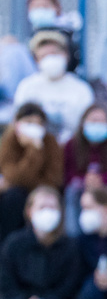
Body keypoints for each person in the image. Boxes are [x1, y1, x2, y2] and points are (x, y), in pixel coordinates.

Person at [0, 187, 82, 299]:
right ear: (30, 211)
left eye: (52, 207)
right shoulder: (14, 243)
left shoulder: (70, 246)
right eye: (42, 207)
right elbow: (6, 280)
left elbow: (70, 284)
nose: (48, 212)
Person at [12, 31, 94, 143]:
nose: (50, 59)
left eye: (54, 53)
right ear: (36, 59)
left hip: (72, 152)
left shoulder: (81, 89)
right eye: (44, 56)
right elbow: (19, 123)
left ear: (66, 54)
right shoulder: (27, 87)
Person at [0, 104, 64, 243]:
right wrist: (33, 150)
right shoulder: (8, 142)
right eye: (29, 122)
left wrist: (35, 149)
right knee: (13, 196)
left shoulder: (50, 143)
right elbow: (12, 175)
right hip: (17, 195)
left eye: (38, 123)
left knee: (41, 199)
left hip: (42, 191)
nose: (34, 127)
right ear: (17, 124)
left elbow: (54, 179)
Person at [64, 102, 107, 195]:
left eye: (102, 121)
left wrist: (101, 180)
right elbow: (68, 175)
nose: (98, 124)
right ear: (83, 123)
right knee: (71, 190)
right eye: (94, 121)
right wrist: (85, 180)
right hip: (81, 188)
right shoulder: (72, 144)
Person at [25, 0, 81, 71]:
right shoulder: (30, 35)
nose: (40, 10)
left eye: (45, 6)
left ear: (57, 8)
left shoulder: (67, 32)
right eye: (36, 7)